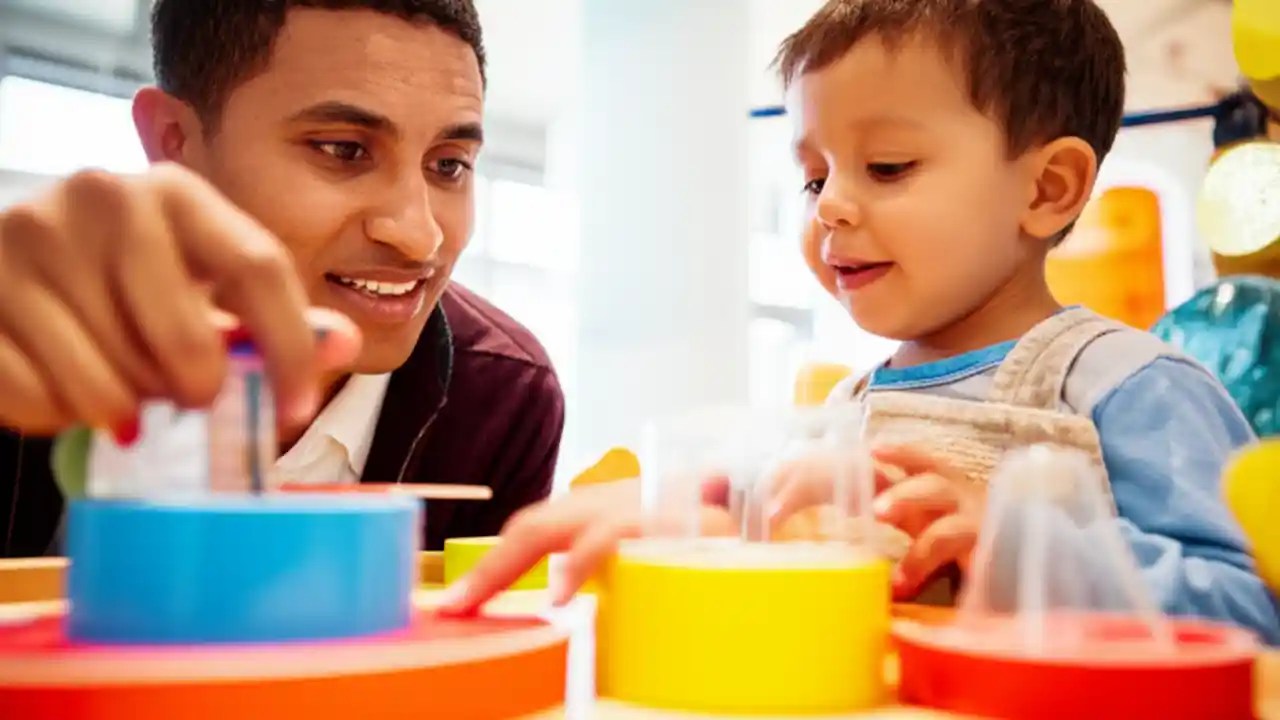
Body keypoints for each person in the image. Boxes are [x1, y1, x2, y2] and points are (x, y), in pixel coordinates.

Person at [441, 0, 1280, 643]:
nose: (832, 205)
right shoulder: (842, 414)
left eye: (887, 167)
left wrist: (1037, 548)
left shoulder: (1129, 386)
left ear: (1047, 187)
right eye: (813, 179)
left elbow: (1253, 612)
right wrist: (690, 515)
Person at [0, 0, 564, 556]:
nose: (420, 237)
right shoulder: (28, 335)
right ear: (175, 140)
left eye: (449, 165)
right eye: (344, 150)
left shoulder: (503, 397)